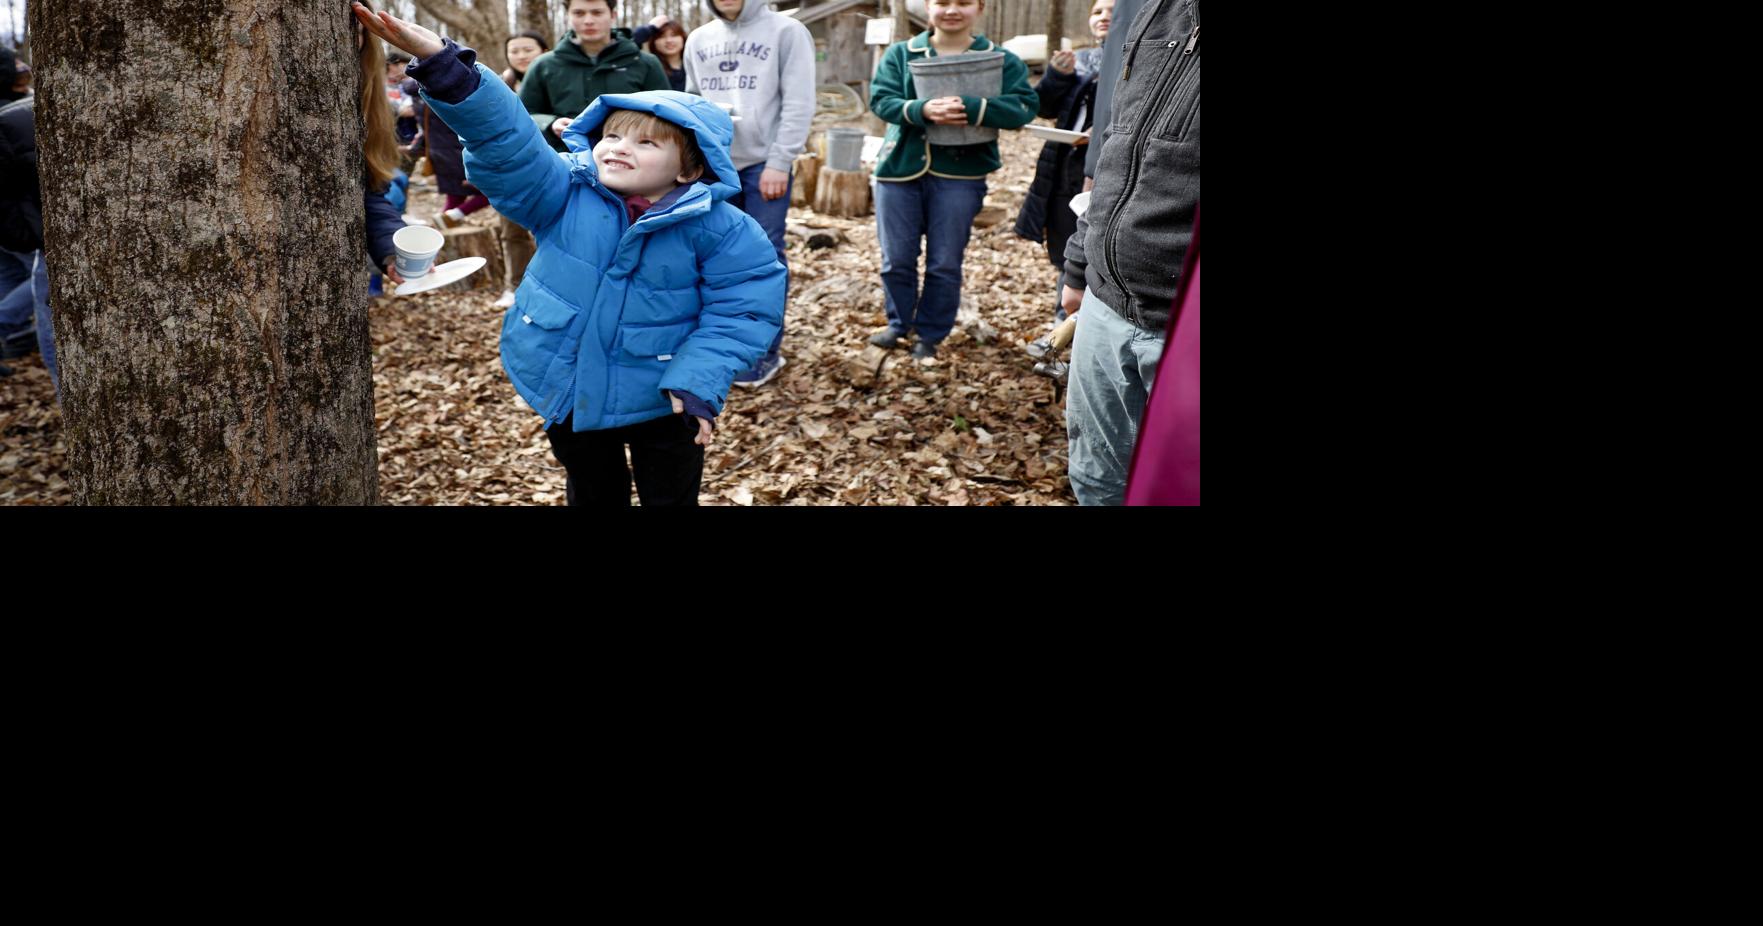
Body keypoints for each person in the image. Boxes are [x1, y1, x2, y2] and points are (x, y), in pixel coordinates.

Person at [353, 3, 785, 507]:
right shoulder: (564, 191)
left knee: (670, 493)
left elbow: (743, 308)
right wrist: (443, 65)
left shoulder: (724, 229)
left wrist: (699, 379)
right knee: (592, 490)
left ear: (690, 170)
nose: (620, 148)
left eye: (647, 143)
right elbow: (505, 141)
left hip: (667, 398)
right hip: (572, 389)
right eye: (614, 134)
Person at [1060, 0, 1200, 506]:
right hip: (1105, 303)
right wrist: (1080, 262)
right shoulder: (1155, 9)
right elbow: (1117, 141)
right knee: (1098, 483)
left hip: (1186, 332)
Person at [867, 0, 1038, 361]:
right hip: (899, 170)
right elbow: (881, 100)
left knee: (944, 261)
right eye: (942, 2)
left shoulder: (1000, 59)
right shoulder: (901, 53)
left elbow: (1024, 106)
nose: (951, 10)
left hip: (962, 173)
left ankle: (929, 334)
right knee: (895, 258)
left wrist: (975, 108)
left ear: (981, 8)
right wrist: (921, 109)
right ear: (928, 8)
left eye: (963, 2)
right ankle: (899, 324)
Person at [683, 0, 816, 388]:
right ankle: (721, 347)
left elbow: (799, 102)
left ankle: (763, 353)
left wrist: (780, 161)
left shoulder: (787, 31)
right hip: (714, 164)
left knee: (763, 256)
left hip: (764, 163)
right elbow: (693, 103)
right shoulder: (698, 38)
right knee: (712, 257)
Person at [1014, 0, 1111, 320]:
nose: (1104, 17)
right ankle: (1063, 319)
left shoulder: (1137, 55)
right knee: (1064, 243)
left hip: (1104, 169)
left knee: (1093, 246)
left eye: (1113, 10)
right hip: (1063, 166)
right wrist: (1057, 76)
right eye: (1097, 12)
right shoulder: (1081, 59)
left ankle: (1075, 322)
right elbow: (1046, 108)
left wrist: (1104, 131)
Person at [520, 0, 669, 153]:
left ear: (612, 15)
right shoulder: (543, 65)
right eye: (579, 13)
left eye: (597, 13)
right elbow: (522, 114)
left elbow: (666, 113)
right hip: (562, 159)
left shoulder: (645, 63)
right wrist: (551, 124)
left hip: (631, 159)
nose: (588, 21)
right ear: (567, 16)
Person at [0, 52, 53, 394]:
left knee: (17, 279)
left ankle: (12, 333)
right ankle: (11, 330)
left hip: (18, 229)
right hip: (21, 229)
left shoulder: (17, 115)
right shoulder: (25, 113)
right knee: (25, 281)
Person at [494, 30, 552, 308]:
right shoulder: (498, 84)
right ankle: (514, 285)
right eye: (514, 50)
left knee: (554, 229)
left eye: (527, 49)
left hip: (551, 163)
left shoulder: (554, 77)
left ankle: (550, 284)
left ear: (543, 50)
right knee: (512, 231)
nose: (521, 55)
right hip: (511, 167)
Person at [632, 15, 688, 93]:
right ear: (653, 42)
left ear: (683, 38)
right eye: (662, 36)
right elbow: (628, 45)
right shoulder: (648, 67)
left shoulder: (693, 65)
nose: (669, 40)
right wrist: (649, 28)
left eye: (673, 35)